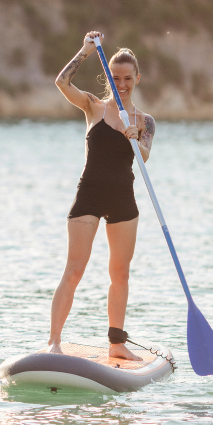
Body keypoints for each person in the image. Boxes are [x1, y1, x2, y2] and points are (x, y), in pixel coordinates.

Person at [48, 31, 155, 361]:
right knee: (75, 269)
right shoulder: (93, 107)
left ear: (137, 78)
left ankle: (116, 343)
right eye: (116, 77)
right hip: (90, 195)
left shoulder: (144, 121)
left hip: (124, 199)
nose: (122, 84)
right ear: (109, 76)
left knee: (120, 273)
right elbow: (61, 84)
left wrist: (135, 137)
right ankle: (54, 342)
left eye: (128, 78)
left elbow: (145, 156)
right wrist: (84, 50)